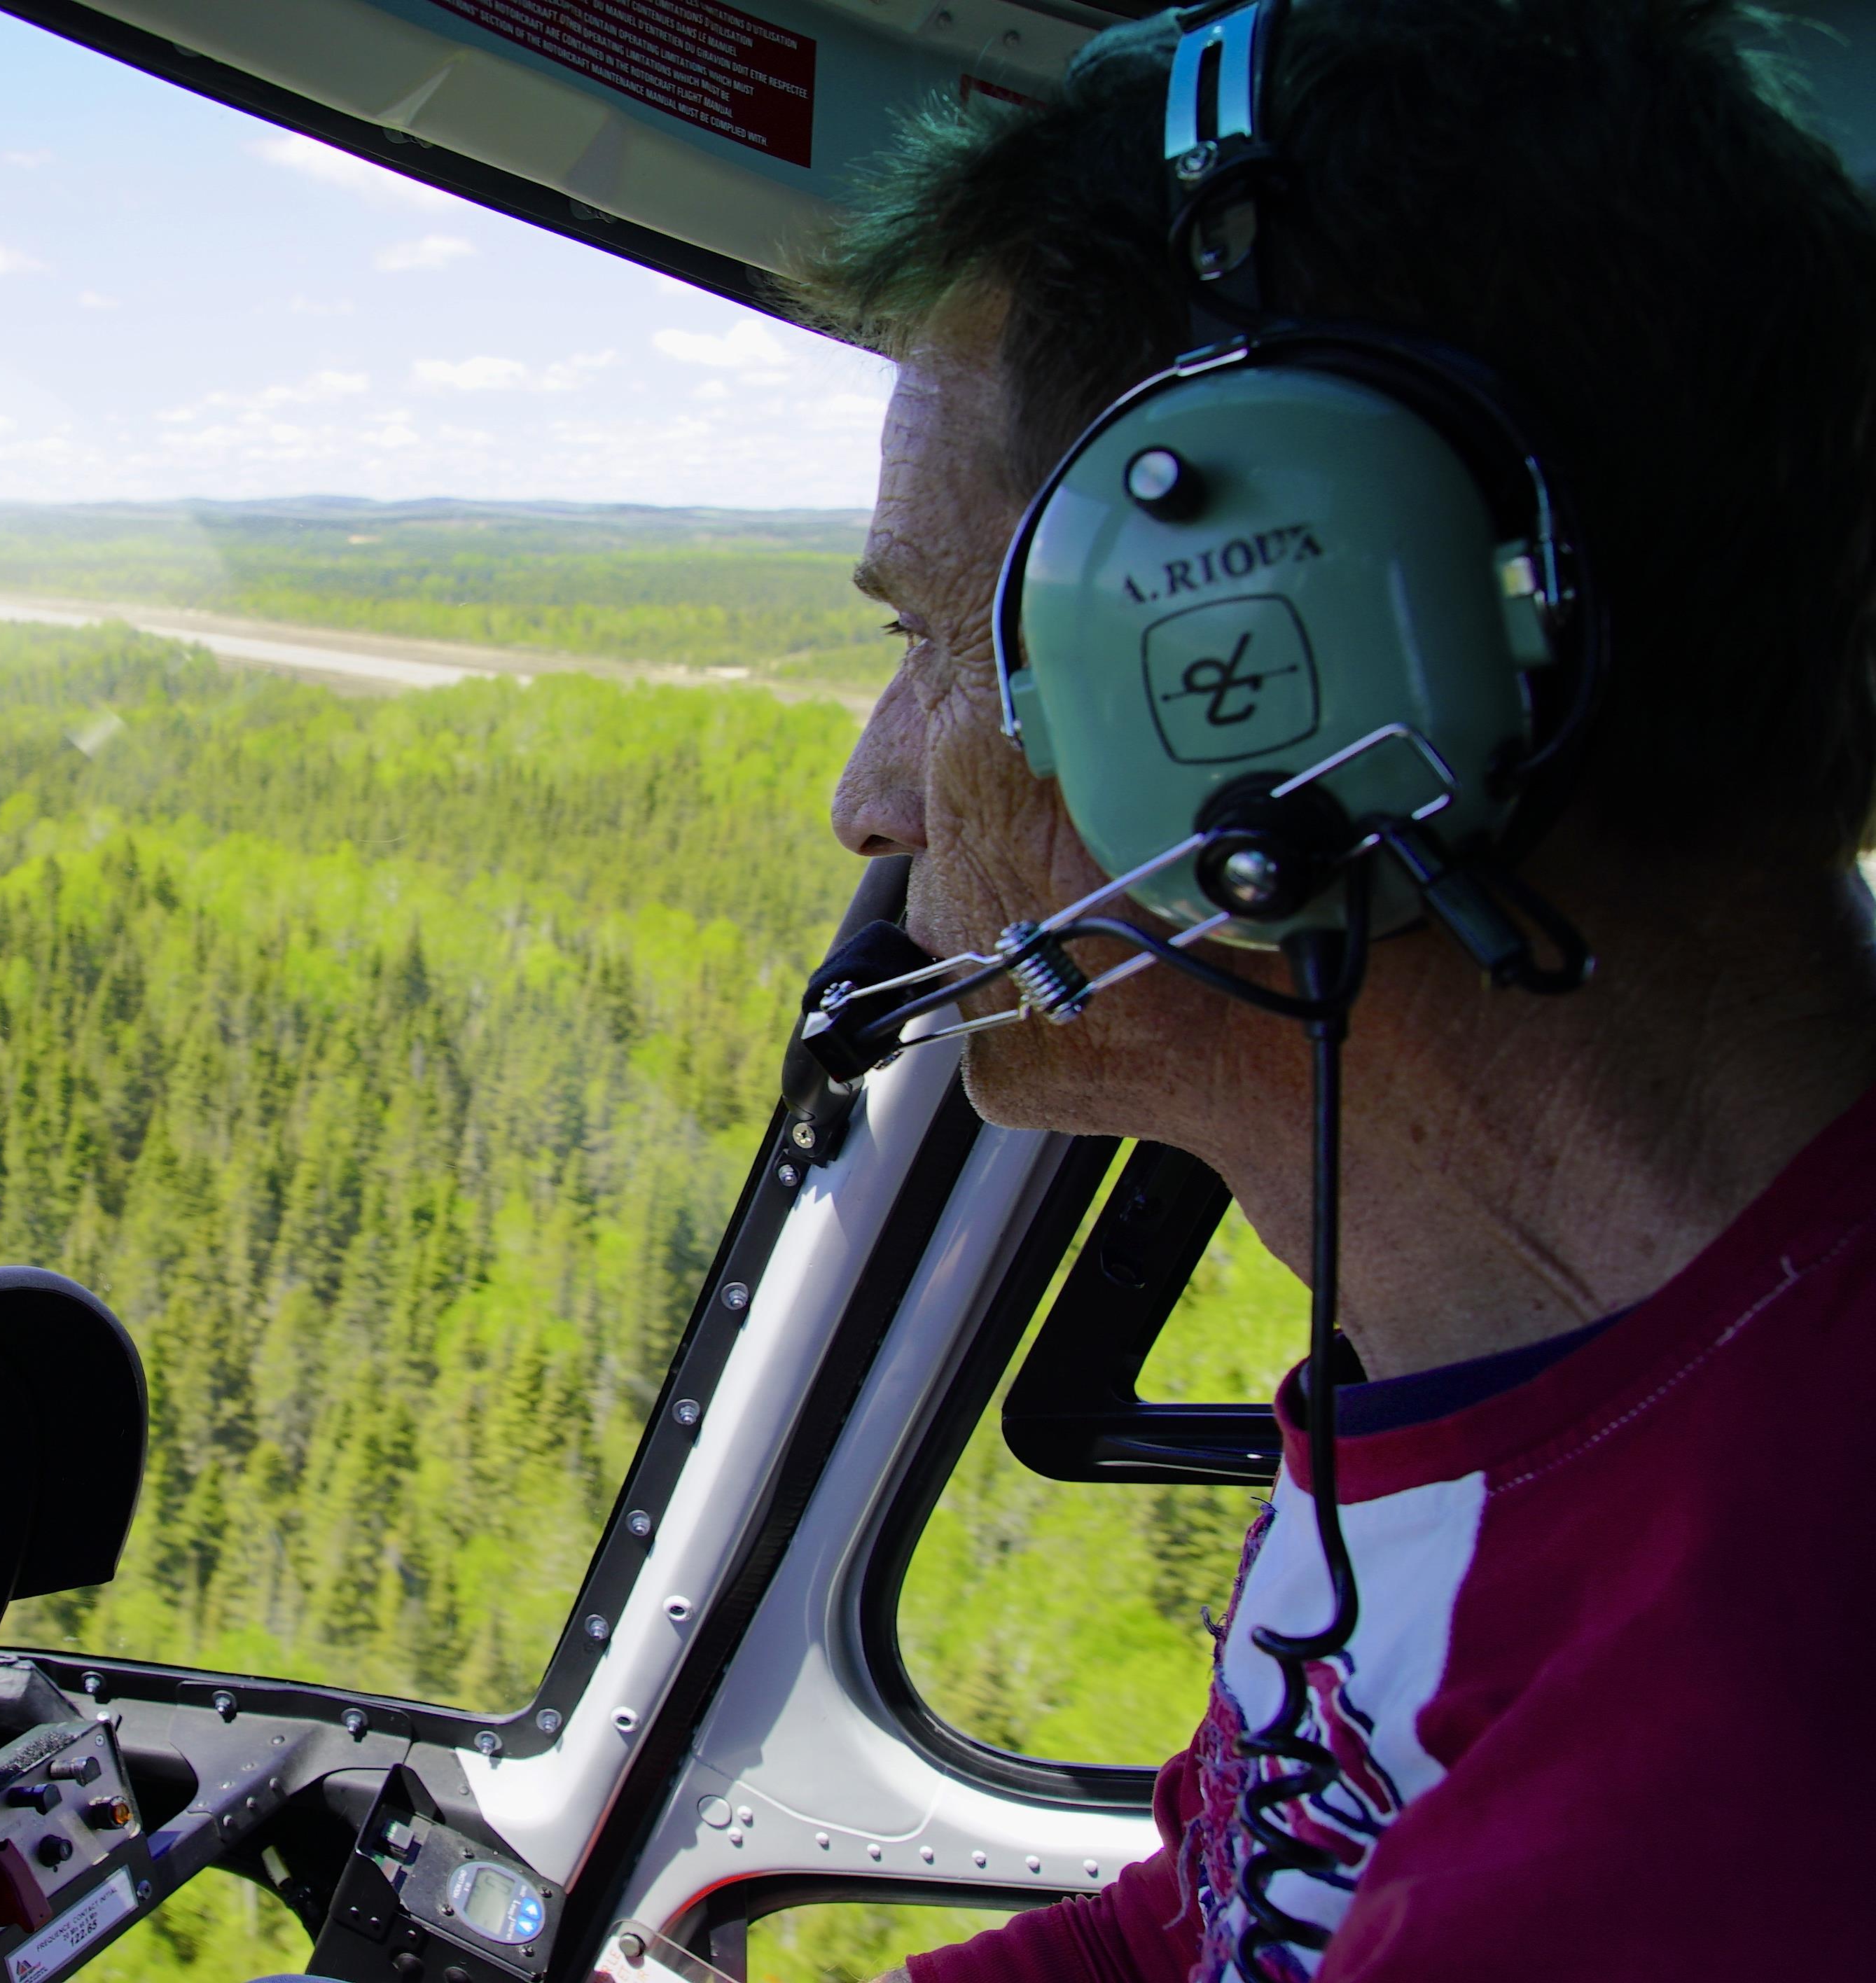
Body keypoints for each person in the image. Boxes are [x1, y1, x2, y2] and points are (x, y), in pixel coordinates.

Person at [793, 0, 1876, 1975]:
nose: (872, 800)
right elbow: (1202, 1929)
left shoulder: (1727, 1814)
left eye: (942, 654)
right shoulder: (1525, 1379)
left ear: (1300, 690)